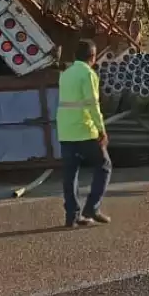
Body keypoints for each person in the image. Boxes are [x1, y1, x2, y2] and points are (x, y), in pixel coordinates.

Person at [56, 39, 112, 227]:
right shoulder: (88, 74)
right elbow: (92, 104)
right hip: (84, 129)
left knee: (70, 174)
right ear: (93, 57)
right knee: (104, 165)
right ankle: (92, 208)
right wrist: (101, 129)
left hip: (65, 130)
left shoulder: (65, 74)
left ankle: (72, 216)